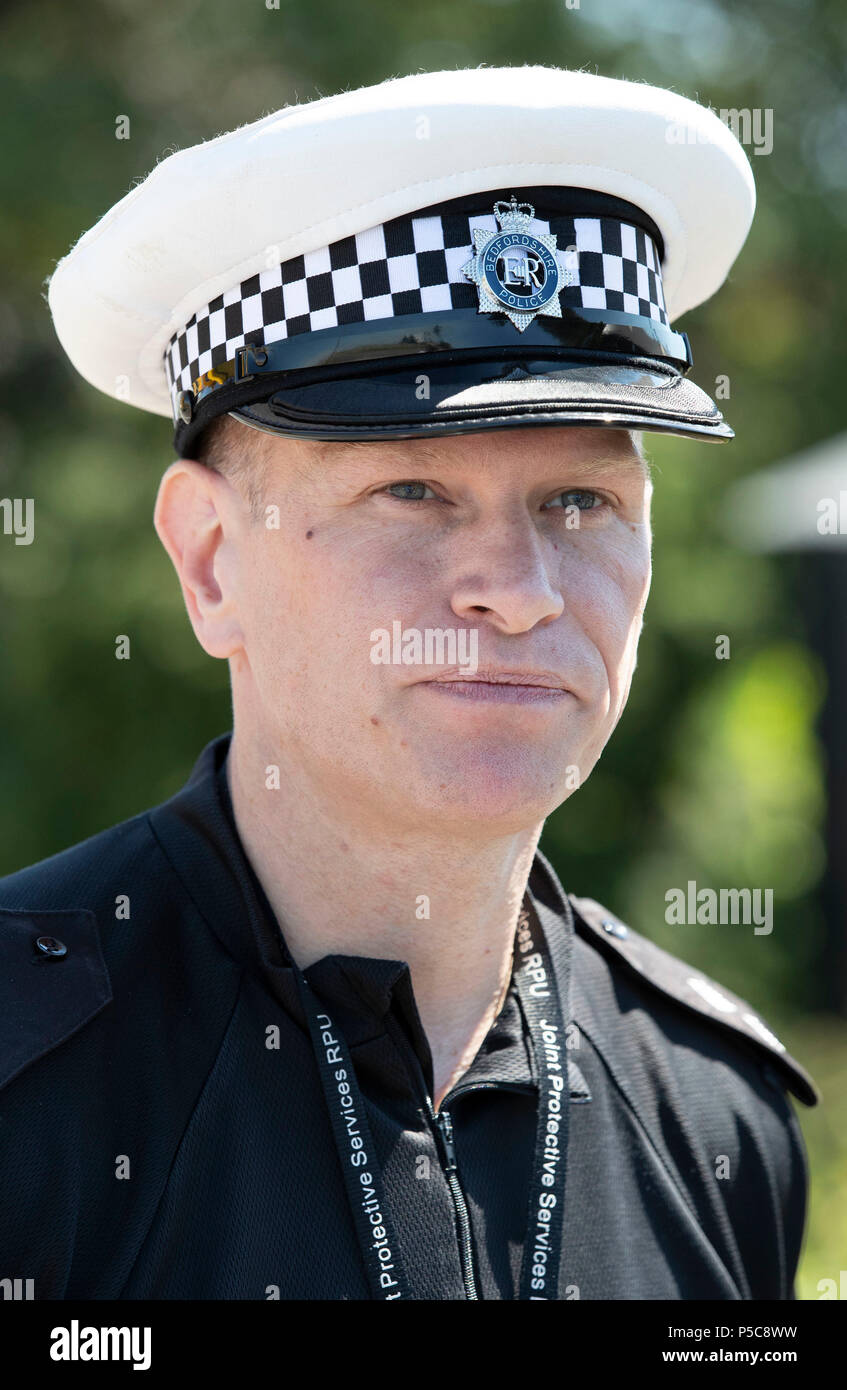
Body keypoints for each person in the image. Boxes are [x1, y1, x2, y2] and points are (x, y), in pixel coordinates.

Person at [0, 65, 817, 1301]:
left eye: (580, 501)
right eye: (413, 494)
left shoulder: (715, 1115)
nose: (521, 588)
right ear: (212, 561)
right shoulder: (27, 1076)